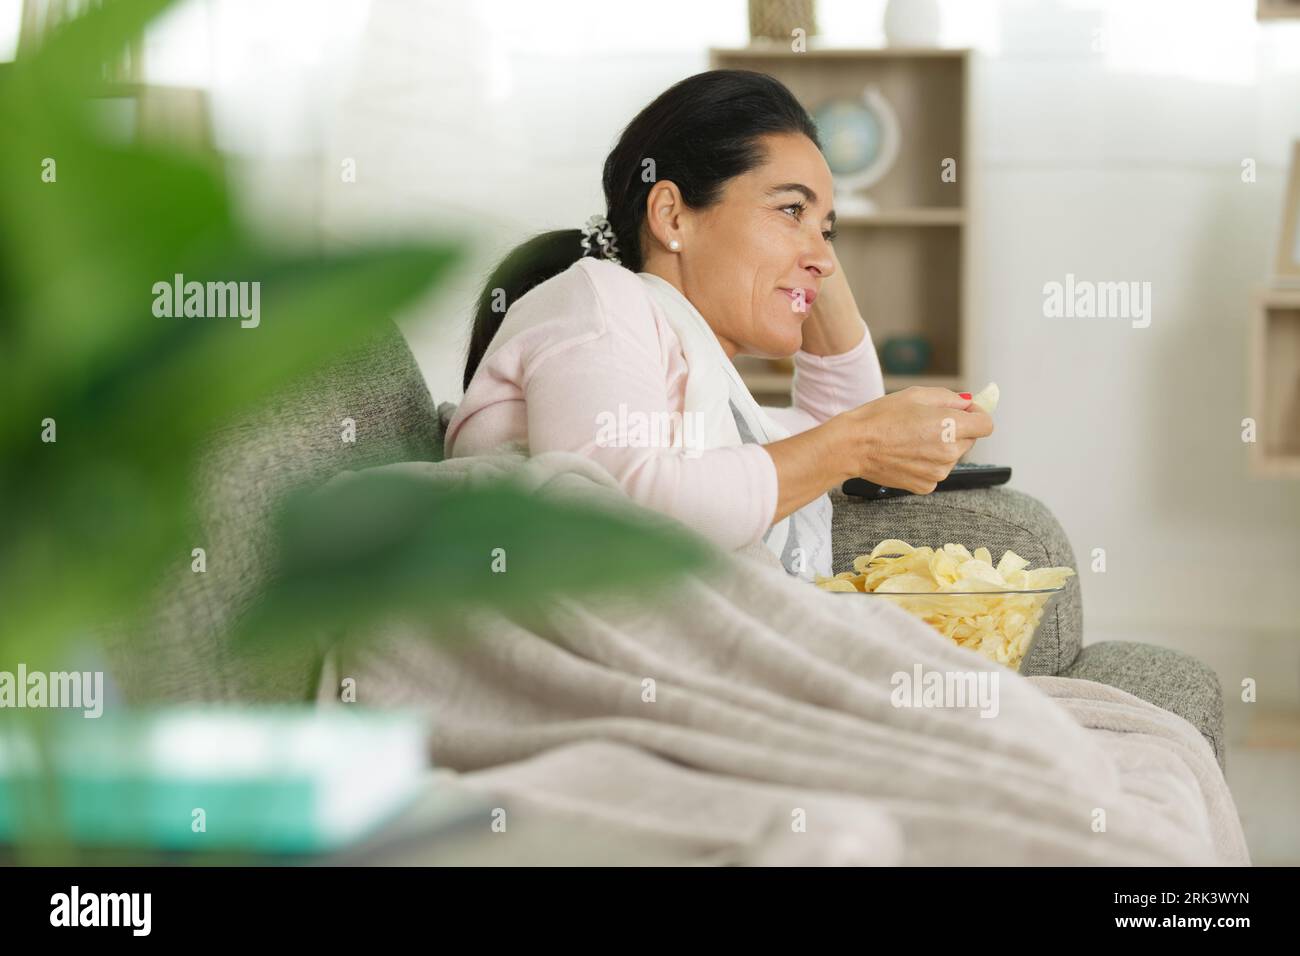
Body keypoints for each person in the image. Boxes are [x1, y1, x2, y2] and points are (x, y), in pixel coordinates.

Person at [447, 70, 992, 580]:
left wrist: (807, 243)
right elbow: (613, 510)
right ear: (672, 216)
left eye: (829, 232)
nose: (827, 262)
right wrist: (857, 443)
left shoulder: (706, 395)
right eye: (789, 210)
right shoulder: (600, 297)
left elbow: (831, 428)